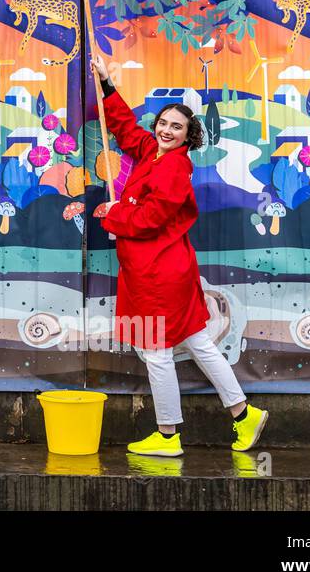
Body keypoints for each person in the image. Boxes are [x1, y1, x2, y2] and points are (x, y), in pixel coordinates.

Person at [90, 53, 268, 456]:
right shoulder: (152, 151)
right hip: (166, 270)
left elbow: (152, 217)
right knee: (199, 343)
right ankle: (244, 414)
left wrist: (116, 214)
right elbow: (121, 128)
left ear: (189, 136)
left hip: (158, 274)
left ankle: (168, 436)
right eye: (164, 123)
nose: (167, 130)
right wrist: (106, 84)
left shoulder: (173, 168)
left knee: (155, 352)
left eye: (177, 127)